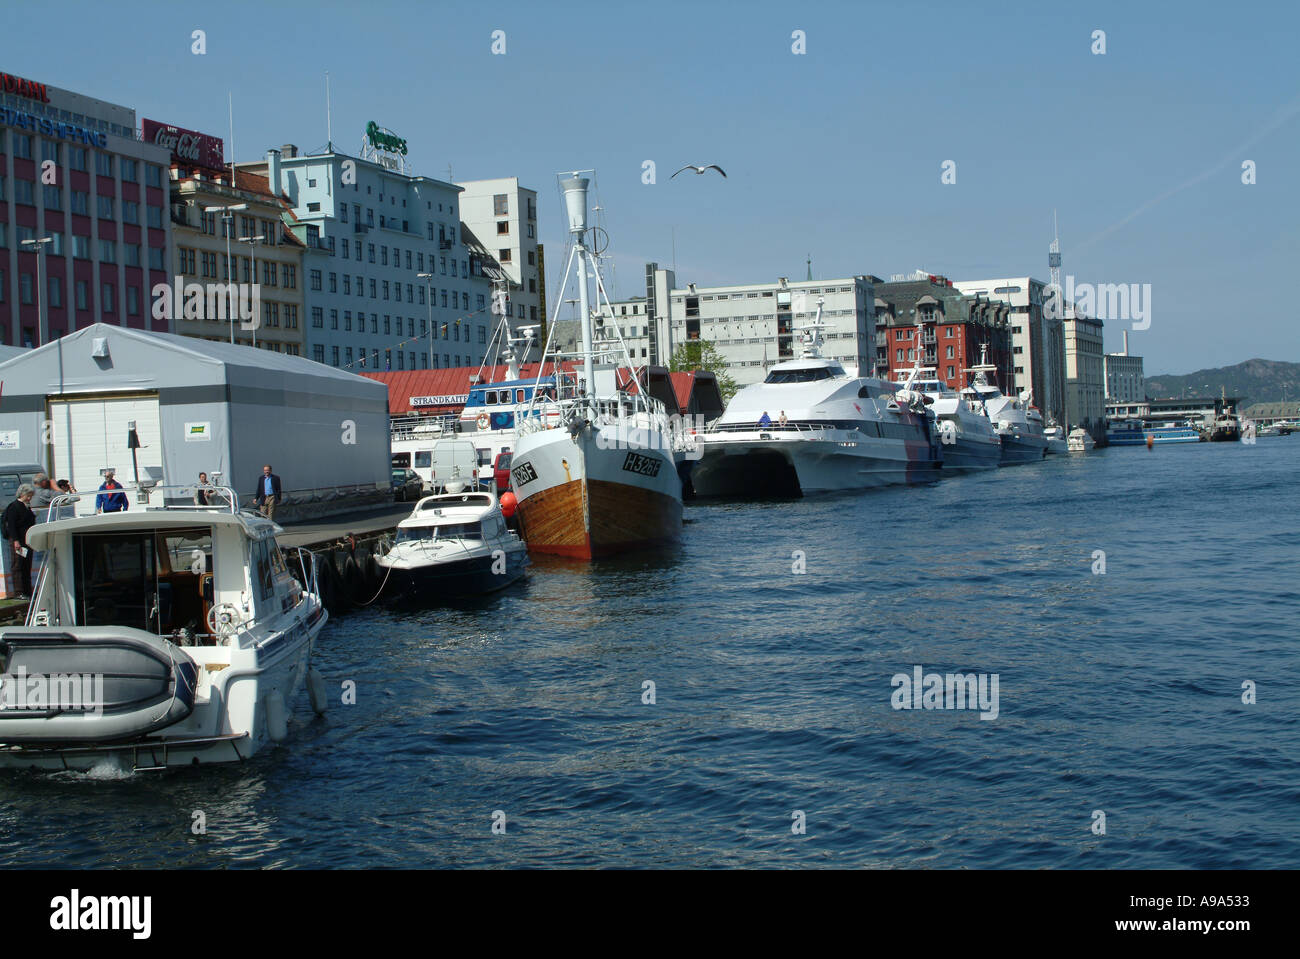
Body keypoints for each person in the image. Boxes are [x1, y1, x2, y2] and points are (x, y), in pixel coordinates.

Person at [2, 484, 37, 600]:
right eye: (28, 495)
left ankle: (27, 590)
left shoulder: (26, 507)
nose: (29, 498)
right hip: (18, 540)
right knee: (18, 566)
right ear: (22, 494)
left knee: (27, 566)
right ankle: (18, 592)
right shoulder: (14, 507)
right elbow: (11, 525)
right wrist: (15, 540)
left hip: (27, 540)